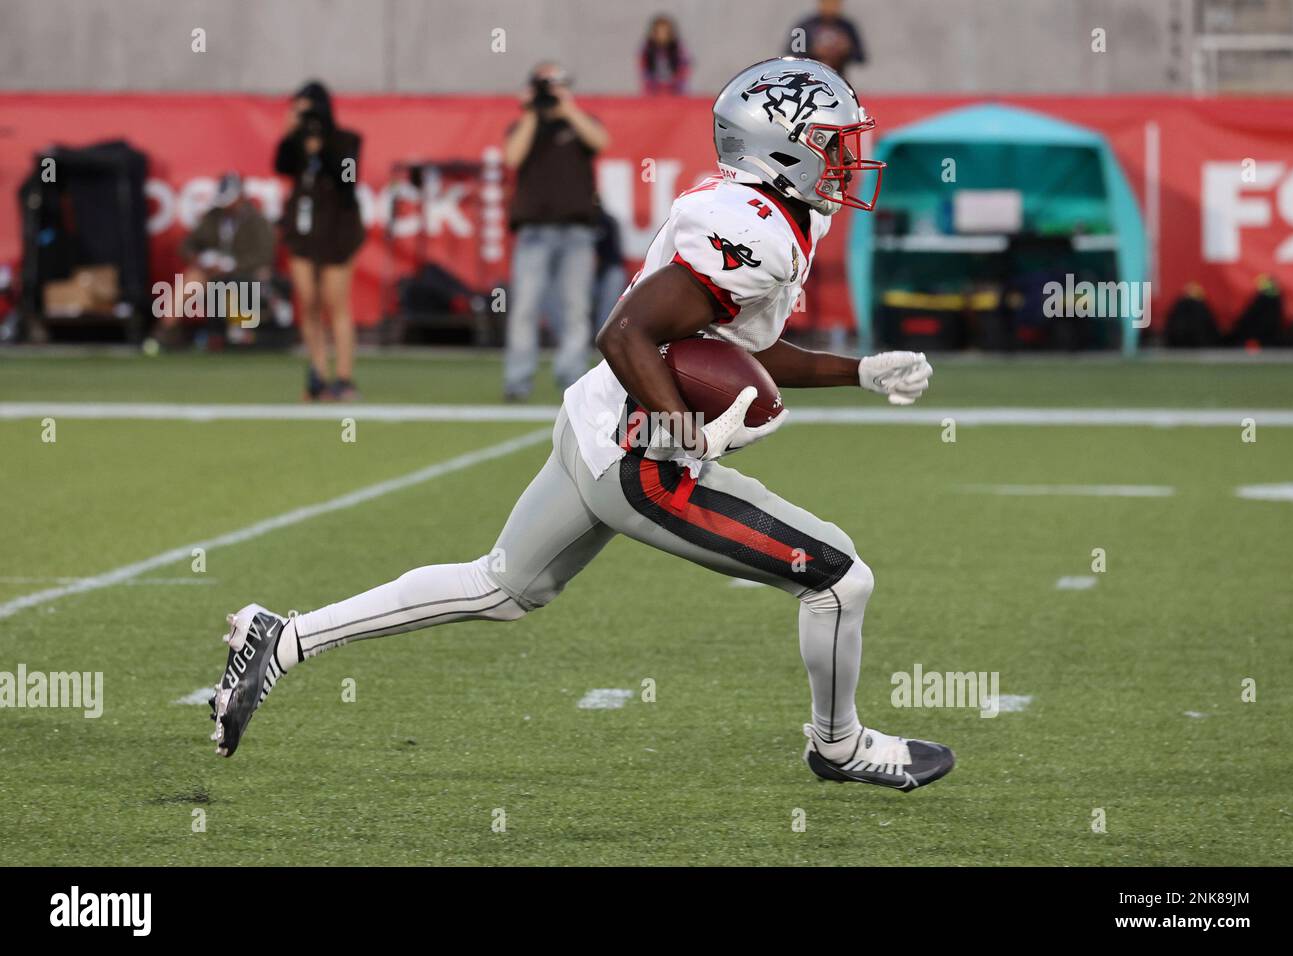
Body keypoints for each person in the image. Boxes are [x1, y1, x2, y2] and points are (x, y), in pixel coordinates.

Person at [208, 57, 953, 793]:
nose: (847, 159)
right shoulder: (751, 229)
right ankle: (840, 744)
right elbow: (625, 333)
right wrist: (684, 433)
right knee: (838, 579)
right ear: (781, 145)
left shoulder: (767, 212)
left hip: (593, 422)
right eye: (832, 141)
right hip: (638, 461)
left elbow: (732, 348)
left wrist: (856, 372)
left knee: (501, 587)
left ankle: (285, 638)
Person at [501, 63, 608, 401]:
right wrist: (532, 112)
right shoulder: (525, 125)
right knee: (525, 308)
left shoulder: (578, 122)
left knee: (575, 307)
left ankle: (572, 379)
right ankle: (518, 381)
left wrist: (568, 107)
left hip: (576, 231)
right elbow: (512, 157)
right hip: (534, 231)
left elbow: (601, 141)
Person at [275, 80, 364, 401]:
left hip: (337, 232)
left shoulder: (346, 140)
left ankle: (344, 376)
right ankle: (317, 372)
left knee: (335, 303)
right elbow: (281, 165)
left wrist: (323, 148)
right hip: (304, 232)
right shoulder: (297, 143)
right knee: (308, 301)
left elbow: (349, 181)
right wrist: (290, 133)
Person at [163, 172, 274, 343]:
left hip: (243, 275)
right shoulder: (214, 217)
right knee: (192, 278)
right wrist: (198, 259)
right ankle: (166, 329)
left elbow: (264, 255)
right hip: (213, 274)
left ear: (241, 197)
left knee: (238, 283)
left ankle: (238, 332)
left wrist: (232, 265)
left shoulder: (257, 221)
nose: (227, 206)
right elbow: (187, 244)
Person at [787, 0, 867, 77]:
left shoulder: (847, 27)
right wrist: (813, 51)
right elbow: (792, 53)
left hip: (838, 77)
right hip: (810, 75)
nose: (830, 6)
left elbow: (860, 57)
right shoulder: (806, 26)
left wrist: (846, 50)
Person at [640, 14, 691, 94]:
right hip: (653, 91)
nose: (662, 35)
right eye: (659, 32)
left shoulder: (678, 49)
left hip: (676, 90)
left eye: (665, 32)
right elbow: (644, 70)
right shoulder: (648, 49)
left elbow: (684, 68)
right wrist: (652, 87)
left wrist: (677, 85)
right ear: (654, 33)